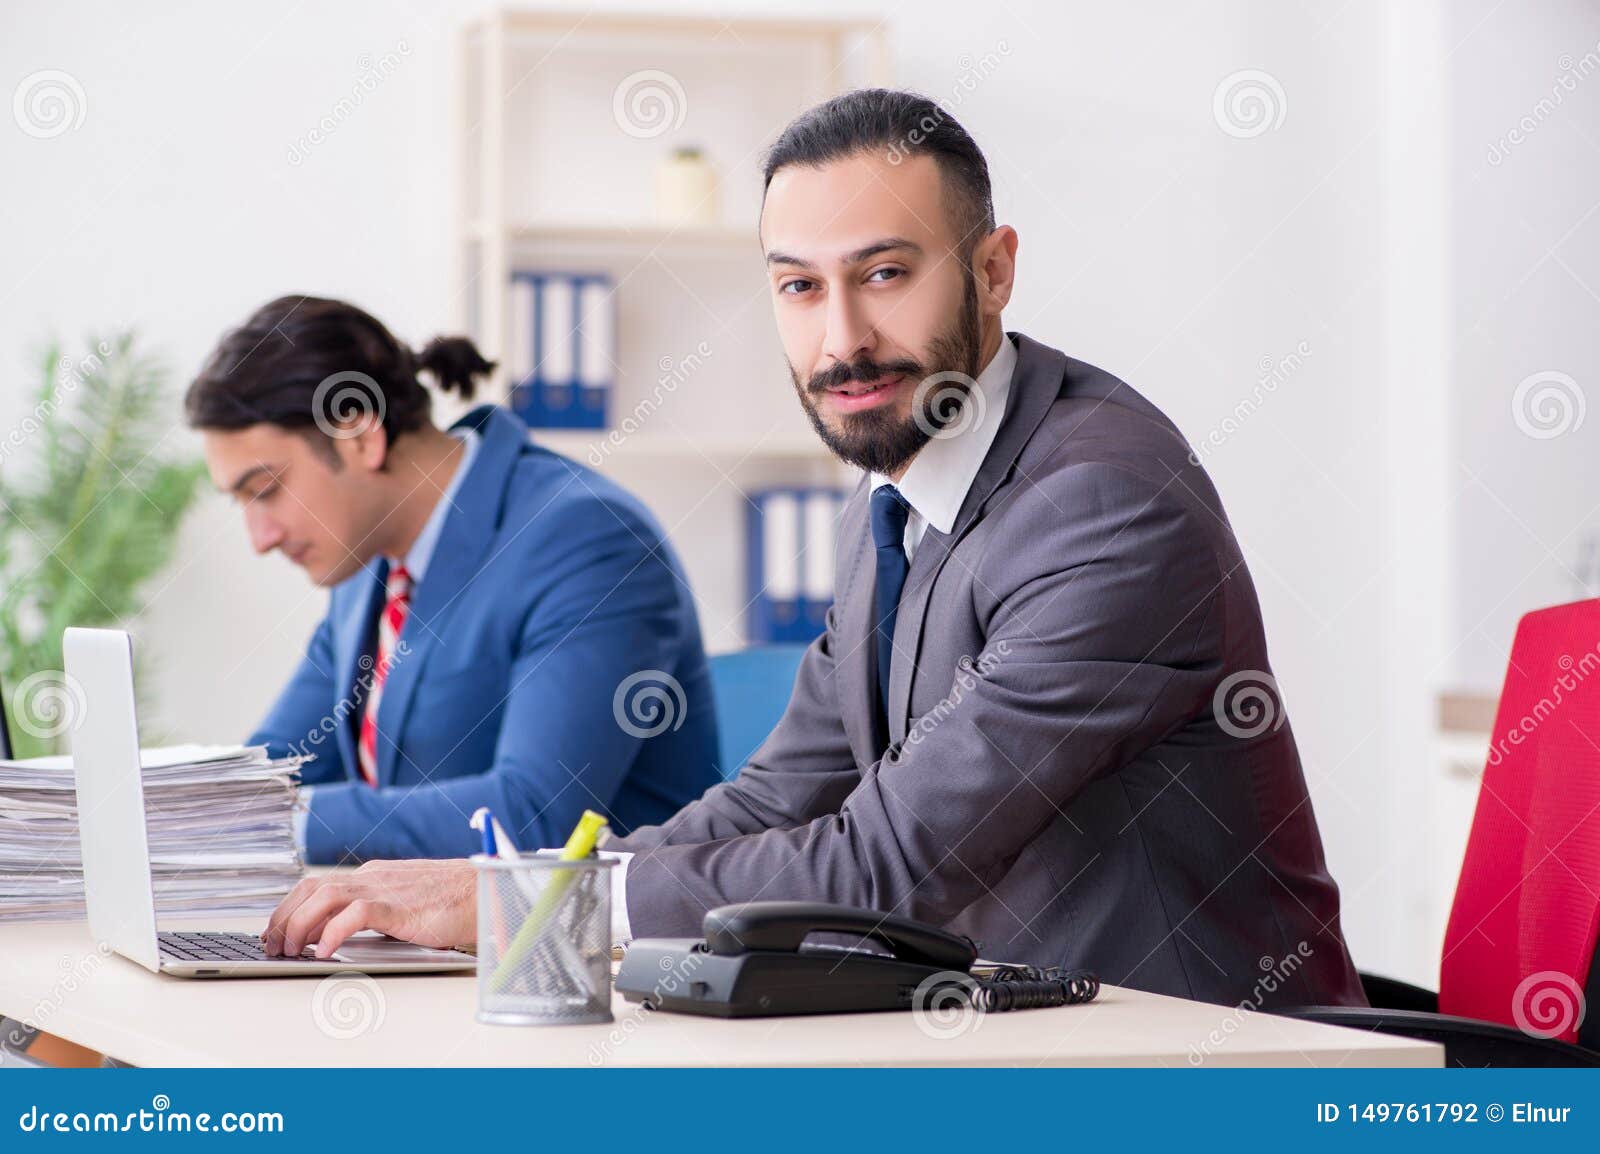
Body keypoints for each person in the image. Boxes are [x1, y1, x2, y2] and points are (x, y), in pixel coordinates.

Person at [263, 92, 1365, 1008]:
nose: (839, 339)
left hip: (1197, 1065)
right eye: (799, 286)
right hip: (1003, 1042)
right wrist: (527, 887)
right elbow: (775, 798)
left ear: (991, 271)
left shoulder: (1104, 505)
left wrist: (527, 904)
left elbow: (889, 861)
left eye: (885, 273)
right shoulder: (890, 496)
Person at [187, 295, 719, 863]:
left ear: (360, 437)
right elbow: (278, 769)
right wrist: (183, 807)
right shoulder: (366, 559)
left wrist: (281, 820)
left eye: (266, 490)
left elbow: (529, 816)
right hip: (435, 942)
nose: (260, 537)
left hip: (582, 945)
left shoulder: (590, 540)